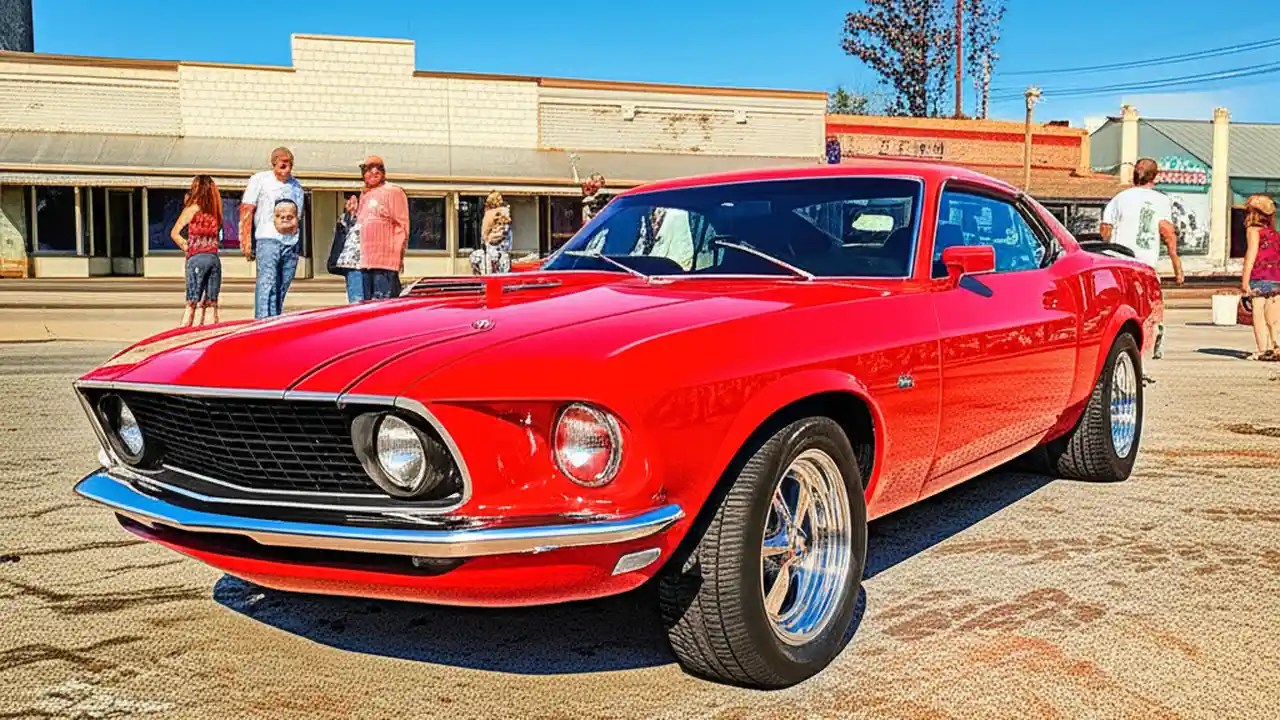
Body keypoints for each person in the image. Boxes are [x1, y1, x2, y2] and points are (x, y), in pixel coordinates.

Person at [1101, 157, 1184, 360]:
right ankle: (1152, 338)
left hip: (1120, 263)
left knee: (1122, 308)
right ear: (1155, 176)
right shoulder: (1161, 200)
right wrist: (1177, 265)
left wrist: (1106, 250)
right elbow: (1167, 232)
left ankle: (1127, 350)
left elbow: (1105, 230)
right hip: (1145, 264)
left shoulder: (1119, 198)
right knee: (1149, 306)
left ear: (1133, 175)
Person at [240, 147, 305, 319]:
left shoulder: (296, 186)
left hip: (291, 241)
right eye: (281, 162)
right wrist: (246, 240)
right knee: (267, 283)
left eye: (289, 163)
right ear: (273, 163)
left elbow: (299, 215)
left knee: (282, 285)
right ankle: (262, 321)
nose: (286, 167)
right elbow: (247, 209)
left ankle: (274, 319)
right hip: (268, 239)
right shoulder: (260, 179)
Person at [345, 155, 409, 299]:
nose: (374, 172)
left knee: (383, 305)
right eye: (368, 169)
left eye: (379, 168)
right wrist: (352, 212)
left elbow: (402, 225)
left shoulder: (394, 191)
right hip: (364, 262)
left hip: (386, 263)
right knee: (367, 306)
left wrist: (398, 256)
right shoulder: (364, 195)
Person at [169, 175, 224, 327]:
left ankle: (185, 331)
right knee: (211, 303)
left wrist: (187, 247)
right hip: (213, 257)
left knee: (191, 302)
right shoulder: (216, 212)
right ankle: (210, 331)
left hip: (196, 257)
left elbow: (174, 233)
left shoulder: (191, 210)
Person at [1241, 194, 1280, 360]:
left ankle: (1263, 349)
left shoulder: (1253, 231)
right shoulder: (1274, 234)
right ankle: (1276, 345)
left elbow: (1251, 255)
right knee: (1274, 316)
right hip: (1277, 278)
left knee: (1258, 314)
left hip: (1259, 276)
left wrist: (1244, 281)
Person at [326, 194, 364, 303]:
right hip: (353, 264)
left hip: (370, 263)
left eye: (354, 201)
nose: (351, 204)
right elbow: (340, 240)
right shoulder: (345, 219)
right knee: (357, 300)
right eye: (349, 201)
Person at [471, 191, 512, 275]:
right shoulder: (505, 212)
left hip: (491, 247)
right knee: (504, 272)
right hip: (504, 246)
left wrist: (486, 239)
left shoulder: (489, 214)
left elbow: (484, 232)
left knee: (489, 273)